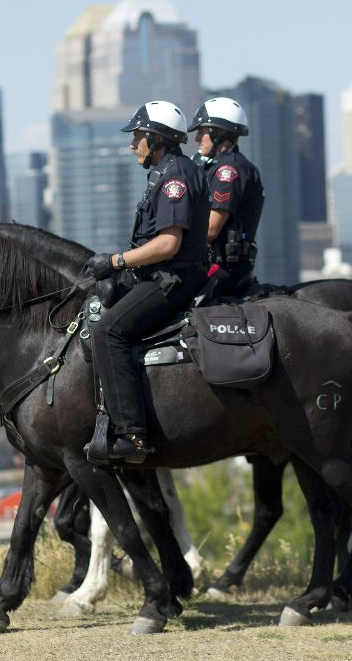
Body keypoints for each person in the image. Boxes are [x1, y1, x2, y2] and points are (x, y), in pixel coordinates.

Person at [84, 100, 210, 464]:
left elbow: (168, 244)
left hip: (173, 281)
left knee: (109, 331)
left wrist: (115, 262)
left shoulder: (174, 179)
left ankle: (131, 434)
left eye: (137, 136)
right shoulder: (168, 172)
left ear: (156, 139)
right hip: (161, 275)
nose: (131, 144)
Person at [188, 97, 264, 298]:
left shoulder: (228, 171)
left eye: (201, 132)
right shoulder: (213, 167)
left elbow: (211, 230)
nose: (196, 138)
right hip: (209, 264)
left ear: (219, 133)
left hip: (221, 270)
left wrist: (167, 244)